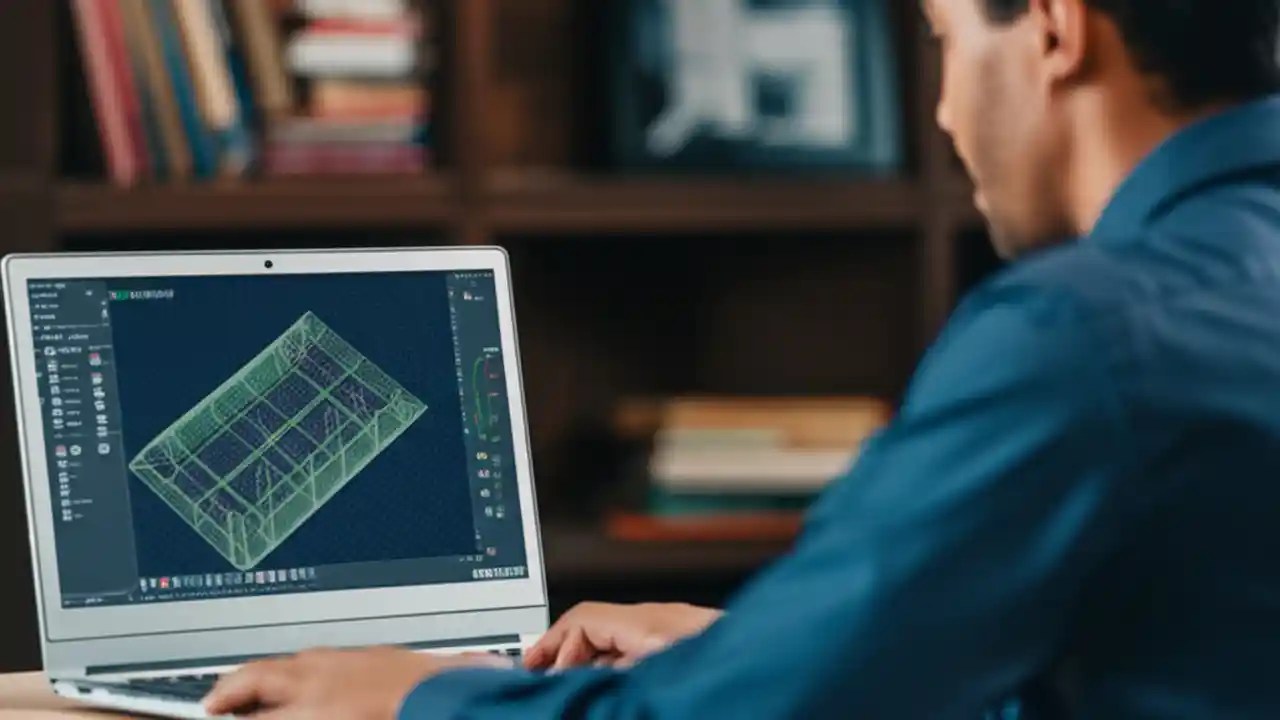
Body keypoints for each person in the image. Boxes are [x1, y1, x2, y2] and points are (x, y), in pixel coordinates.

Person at [204, 0, 1280, 716]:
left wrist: (405, 699)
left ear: (1051, 29)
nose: (945, 109)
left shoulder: (1078, 334)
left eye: (943, 38)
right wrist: (762, 654)